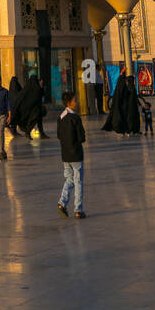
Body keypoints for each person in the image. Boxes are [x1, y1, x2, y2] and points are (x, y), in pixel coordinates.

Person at [57, 90, 86, 219]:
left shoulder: (61, 117)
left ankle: (62, 202)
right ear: (69, 103)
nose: (77, 102)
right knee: (78, 181)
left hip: (65, 154)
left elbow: (58, 135)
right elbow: (81, 137)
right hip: (76, 154)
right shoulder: (75, 118)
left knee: (69, 179)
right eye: (75, 100)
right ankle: (78, 209)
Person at [102, 70, 140, 136]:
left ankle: (126, 130)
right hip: (127, 107)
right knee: (128, 118)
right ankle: (130, 129)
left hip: (123, 106)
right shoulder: (129, 88)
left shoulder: (120, 87)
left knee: (124, 118)